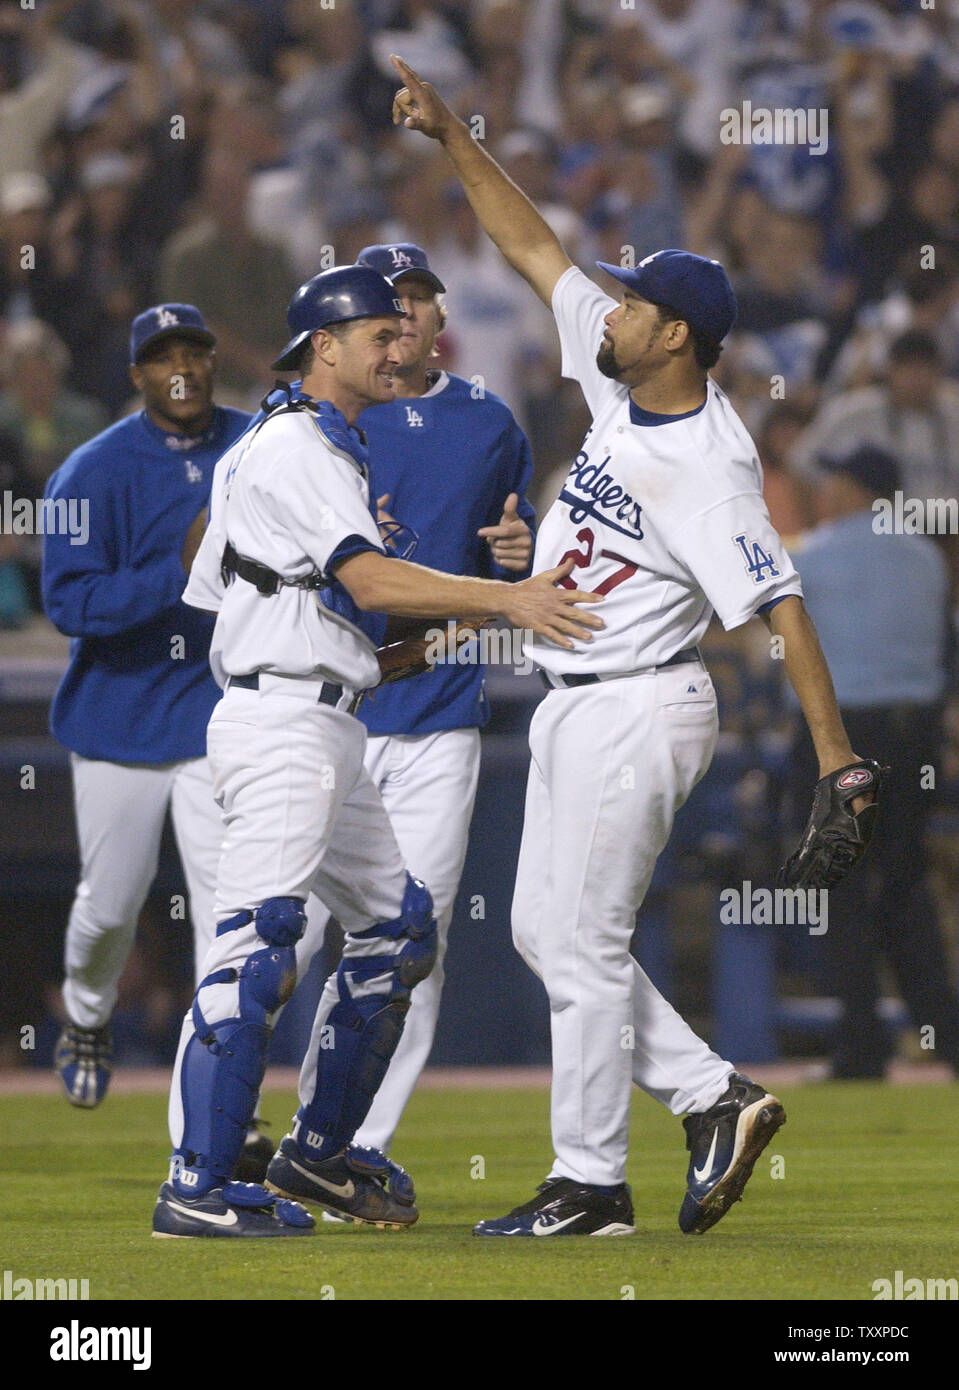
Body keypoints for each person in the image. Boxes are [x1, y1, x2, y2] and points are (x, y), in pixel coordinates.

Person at [391, 55, 874, 1237]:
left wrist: (836, 759)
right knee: (542, 931)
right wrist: (455, 137)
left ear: (678, 336)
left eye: (632, 302)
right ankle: (715, 1096)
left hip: (639, 703)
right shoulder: (623, 386)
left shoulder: (705, 463)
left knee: (588, 939)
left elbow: (782, 604)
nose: (606, 306)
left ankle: (590, 1183)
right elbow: (535, 248)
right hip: (574, 695)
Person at [152, 263, 601, 1238]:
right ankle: (197, 1182)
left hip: (325, 713)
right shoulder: (297, 448)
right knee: (259, 944)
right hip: (280, 725)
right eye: (377, 336)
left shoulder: (306, 444)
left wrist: (453, 626)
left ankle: (315, 1151)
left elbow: (259, 604)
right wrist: (504, 598)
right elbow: (366, 577)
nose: (399, 347)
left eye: (401, 333)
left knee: (397, 931)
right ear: (325, 346)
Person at [287, 241, 535, 1178]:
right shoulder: (316, 423)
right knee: (288, 934)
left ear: (439, 319)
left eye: (419, 301)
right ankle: (235, 1136)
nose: (407, 320)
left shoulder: (487, 422)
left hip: (434, 711)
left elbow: (516, 546)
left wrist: (516, 551)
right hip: (334, 708)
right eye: (389, 307)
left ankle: (345, 1146)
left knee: (407, 950)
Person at [42, 305, 250, 1114]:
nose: (182, 368)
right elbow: (70, 603)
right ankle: (87, 1015)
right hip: (119, 721)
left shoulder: (258, 441)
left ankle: (213, 1103)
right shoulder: (86, 470)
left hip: (216, 715)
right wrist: (181, 571)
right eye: (162, 357)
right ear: (136, 376)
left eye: (194, 352)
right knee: (110, 903)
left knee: (225, 916)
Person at [787, 444, 959, 1079]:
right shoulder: (927, 561)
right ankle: (945, 1033)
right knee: (906, 885)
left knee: (841, 886)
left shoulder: (817, 556)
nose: (826, 490)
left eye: (834, 479)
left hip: (841, 737)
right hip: (915, 740)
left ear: (856, 487)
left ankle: (861, 1044)